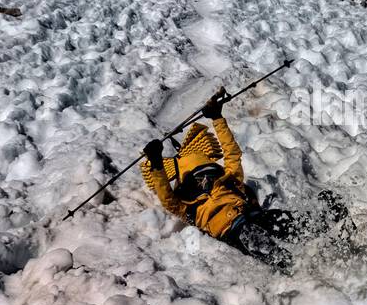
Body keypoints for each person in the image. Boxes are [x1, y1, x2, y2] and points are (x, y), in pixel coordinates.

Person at [141, 90, 347, 269]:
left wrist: (218, 119)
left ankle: (327, 219)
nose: (203, 179)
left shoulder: (228, 179)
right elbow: (167, 199)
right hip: (233, 229)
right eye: (198, 176)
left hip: (254, 216)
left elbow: (232, 154)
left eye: (206, 172)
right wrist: (157, 165)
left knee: (286, 223)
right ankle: (296, 267)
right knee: (254, 236)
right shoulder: (187, 205)